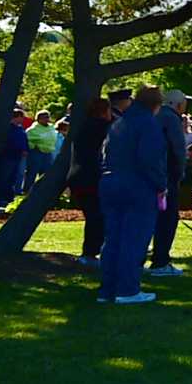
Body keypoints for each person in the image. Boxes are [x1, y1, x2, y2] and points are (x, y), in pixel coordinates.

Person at [99, 86, 169, 304]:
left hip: (110, 181)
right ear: (156, 105)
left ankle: (107, 290)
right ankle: (128, 290)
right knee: (134, 239)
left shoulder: (119, 122)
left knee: (113, 239)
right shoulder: (148, 124)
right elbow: (149, 159)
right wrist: (161, 184)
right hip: (137, 185)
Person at [147, 90, 191, 278]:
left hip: (149, 176)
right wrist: (179, 175)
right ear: (178, 105)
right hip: (167, 177)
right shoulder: (172, 119)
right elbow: (178, 150)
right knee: (167, 220)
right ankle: (160, 261)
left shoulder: (154, 115)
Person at [66, 98, 113, 266]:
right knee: (96, 216)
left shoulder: (84, 126)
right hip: (90, 177)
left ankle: (91, 251)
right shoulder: (101, 127)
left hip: (78, 176)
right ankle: (90, 253)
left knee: (94, 216)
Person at [23, 110, 59, 194]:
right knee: (32, 172)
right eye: (45, 117)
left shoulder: (51, 127)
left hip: (48, 153)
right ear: (39, 119)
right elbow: (28, 140)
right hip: (37, 152)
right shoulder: (33, 129)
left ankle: (43, 192)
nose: (47, 119)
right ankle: (27, 191)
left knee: (46, 174)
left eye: (48, 117)